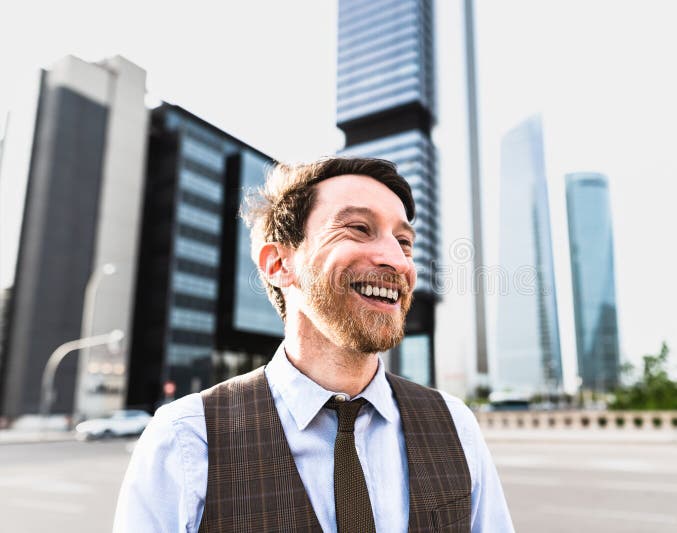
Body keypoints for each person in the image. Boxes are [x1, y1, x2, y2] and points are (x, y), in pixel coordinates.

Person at [113, 157, 514, 532]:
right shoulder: (185, 439)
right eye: (359, 228)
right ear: (279, 264)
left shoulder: (456, 425)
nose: (399, 261)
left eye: (405, 242)